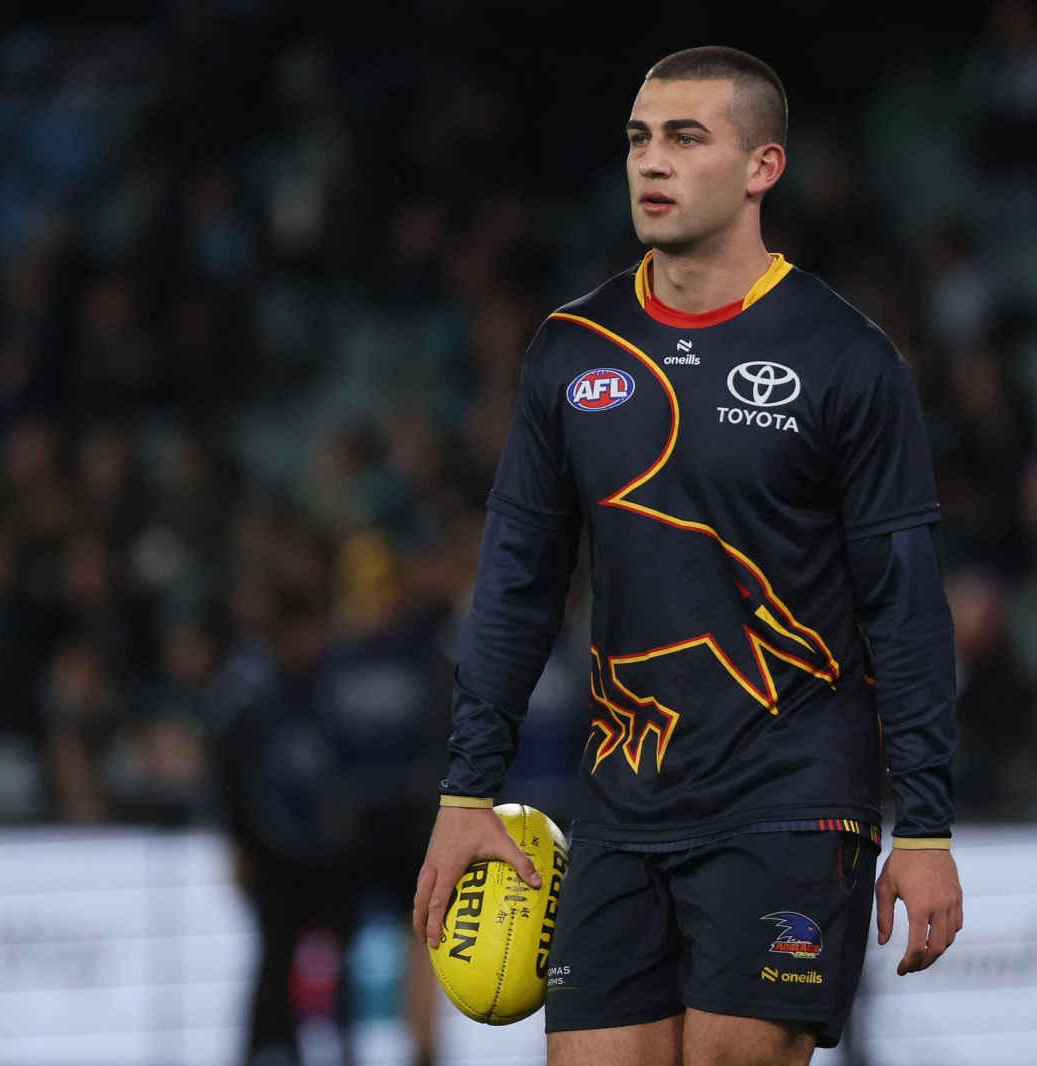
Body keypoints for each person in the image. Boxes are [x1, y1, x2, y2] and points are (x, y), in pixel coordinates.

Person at [411, 46, 963, 1066]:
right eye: (638, 139)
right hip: (620, 802)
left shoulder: (846, 357)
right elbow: (518, 582)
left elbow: (906, 601)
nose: (651, 161)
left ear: (762, 166)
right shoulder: (571, 348)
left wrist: (925, 825)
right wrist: (465, 791)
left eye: (685, 137)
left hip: (791, 798)